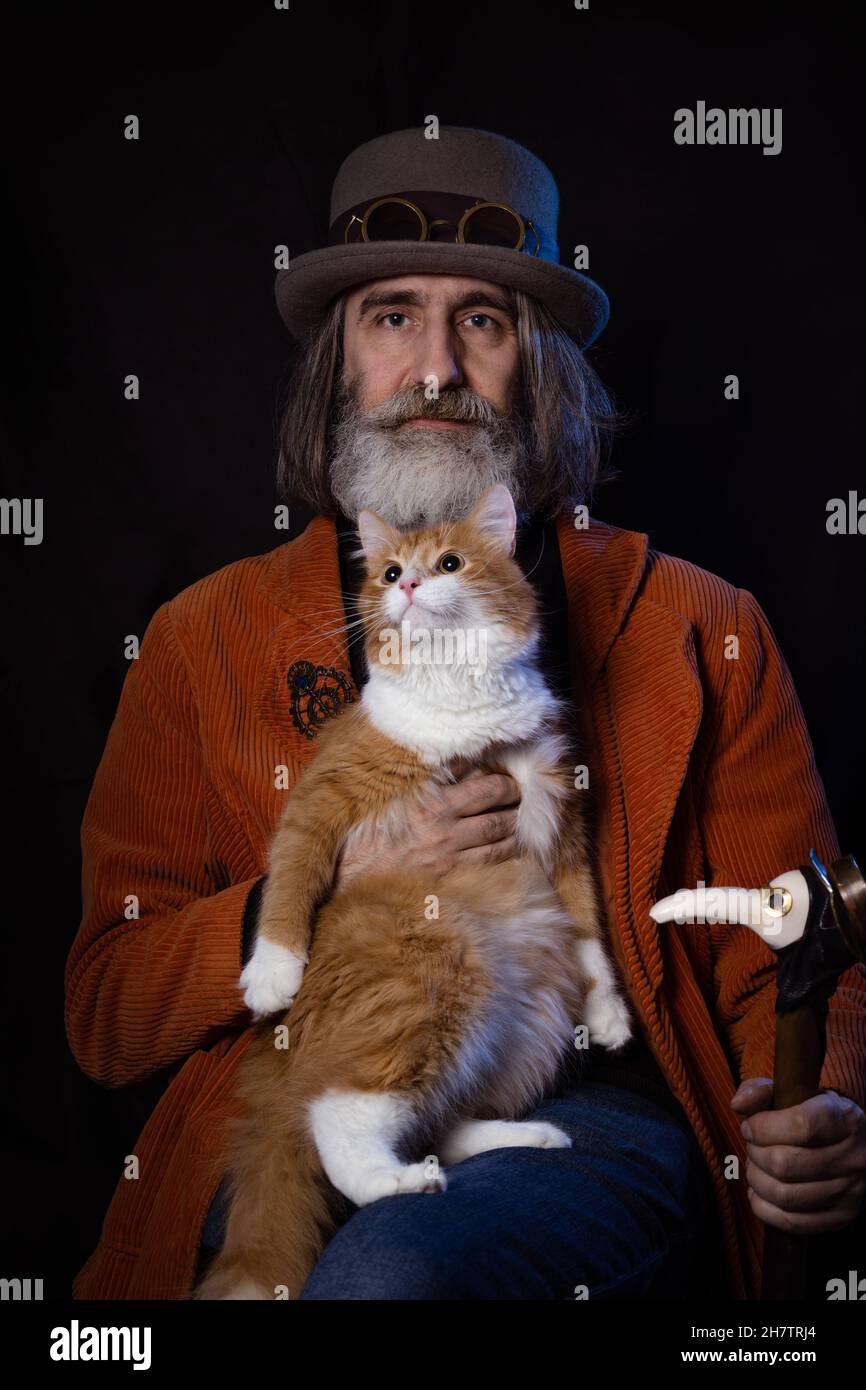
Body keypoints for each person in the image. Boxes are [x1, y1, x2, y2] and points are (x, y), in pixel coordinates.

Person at [64, 126, 866, 1301]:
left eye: (480, 321)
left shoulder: (696, 623)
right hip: (299, 1079)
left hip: (589, 1099)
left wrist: (830, 1097)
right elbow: (103, 1005)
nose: (433, 367)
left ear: (534, 364)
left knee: (392, 1279)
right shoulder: (202, 636)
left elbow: (794, 946)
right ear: (339, 361)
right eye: (391, 315)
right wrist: (325, 887)